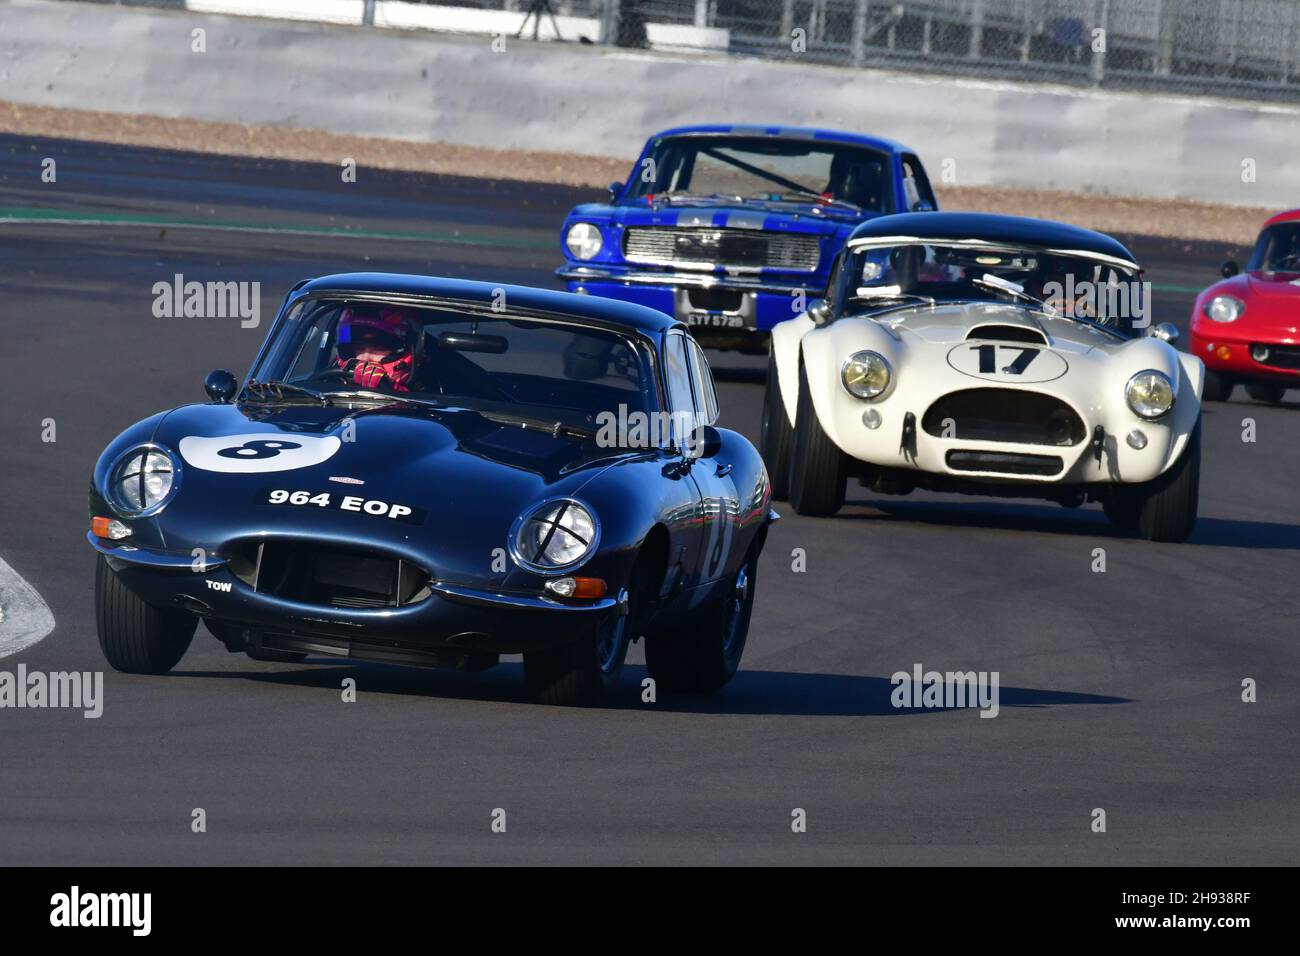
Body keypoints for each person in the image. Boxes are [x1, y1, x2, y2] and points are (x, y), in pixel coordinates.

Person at [336, 306, 413, 392]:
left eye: (379, 348)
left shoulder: (428, 394)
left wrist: (393, 390)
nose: (364, 358)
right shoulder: (326, 386)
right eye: (358, 347)